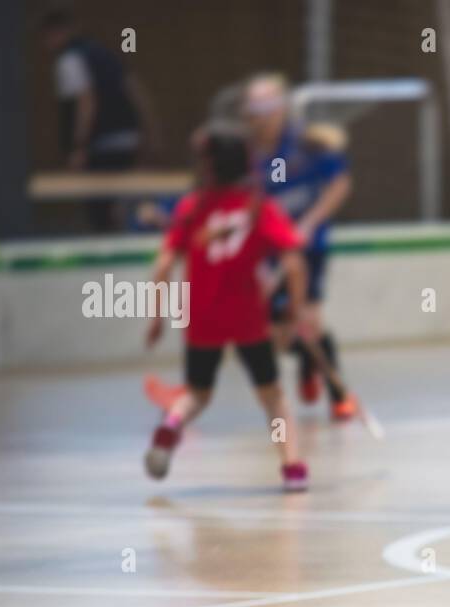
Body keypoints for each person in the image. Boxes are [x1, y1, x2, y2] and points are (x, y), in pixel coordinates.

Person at [144, 121, 310, 492]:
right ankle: (293, 468)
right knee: (272, 396)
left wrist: (157, 317)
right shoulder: (257, 208)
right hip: (247, 315)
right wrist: (293, 312)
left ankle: (172, 424)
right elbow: (295, 261)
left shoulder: (191, 208)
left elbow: (163, 266)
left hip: (202, 316)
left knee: (198, 393)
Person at [243, 73, 359, 421]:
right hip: (271, 250)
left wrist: (308, 223)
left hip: (308, 247)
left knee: (309, 318)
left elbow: (340, 184)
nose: (261, 115)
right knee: (277, 335)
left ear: (282, 108)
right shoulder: (249, 155)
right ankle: (308, 359)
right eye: (255, 108)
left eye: (268, 106)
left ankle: (339, 395)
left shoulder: (307, 145)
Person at [38, 7, 158, 231]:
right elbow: (136, 92)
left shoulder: (69, 58)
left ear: (56, 33)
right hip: (128, 138)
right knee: (125, 206)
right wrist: (147, 132)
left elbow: (87, 100)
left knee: (101, 211)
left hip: (100, 145)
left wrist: (78, 146)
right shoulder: (106, 54)